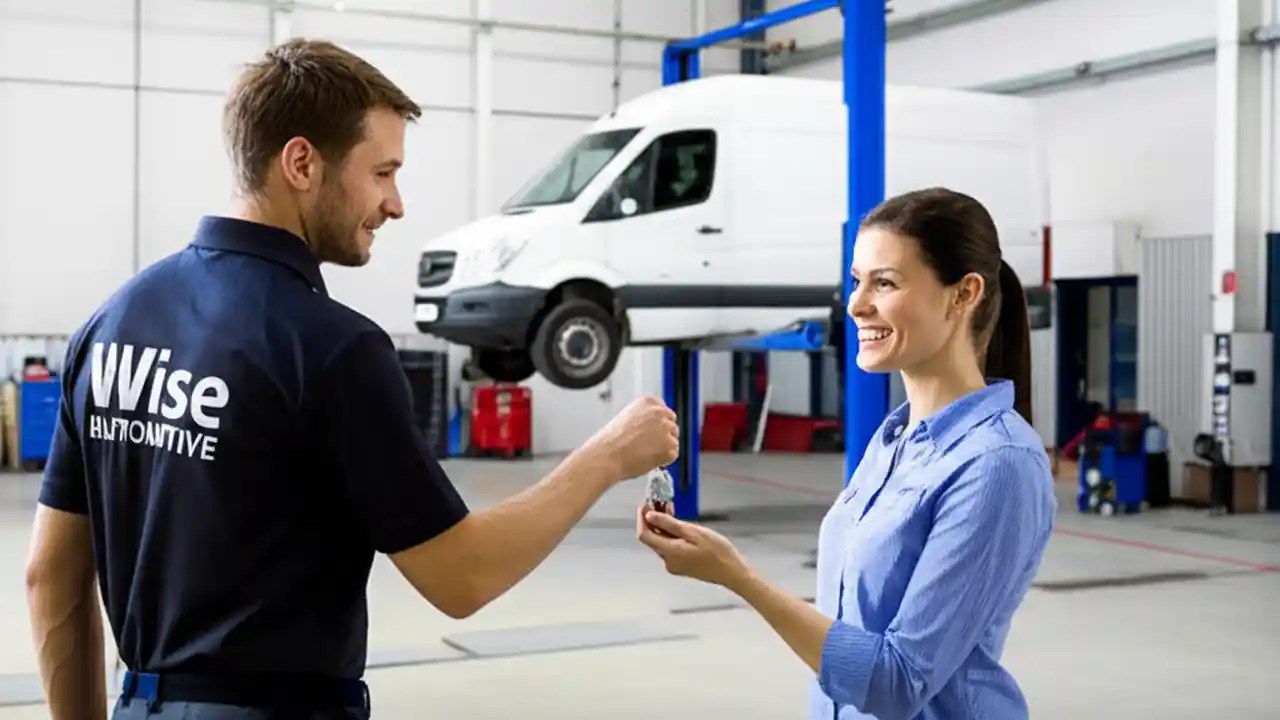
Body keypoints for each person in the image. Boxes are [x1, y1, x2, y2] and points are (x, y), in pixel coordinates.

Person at [24, 38, 679, 720]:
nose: (395, 204)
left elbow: (52, 579)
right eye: (382, 173)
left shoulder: (112, 324)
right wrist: (608, 456)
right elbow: (463, 574)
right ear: (302, 163)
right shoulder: (334, 349)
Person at [637, 187, 1057, 720]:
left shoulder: (997, 464)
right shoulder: (893, 440)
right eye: (857, 281)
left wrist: (737, 577)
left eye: (885, 282)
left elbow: (899, 682)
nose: (857, 304)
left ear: (963, 294)